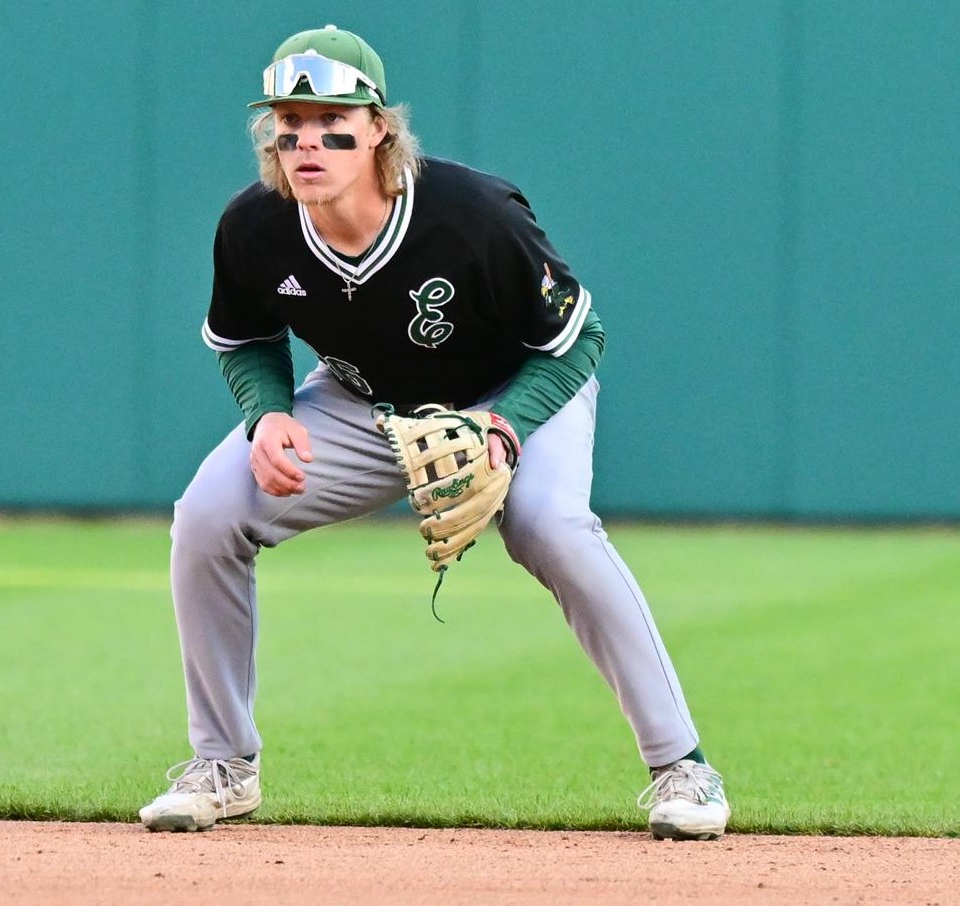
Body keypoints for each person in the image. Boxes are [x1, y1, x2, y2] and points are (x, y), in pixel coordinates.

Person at [139, 24, 730, 841]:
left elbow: (576, 341)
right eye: (290, 124)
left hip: (517, 389)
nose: (309, 142)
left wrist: (508, 424)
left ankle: (682, 769)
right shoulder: (255, 225)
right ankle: (223, 765)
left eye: (332, 123)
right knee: (207, 515)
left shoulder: (473, 214)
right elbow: (245, 341)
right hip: (361, 403)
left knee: (550, 526)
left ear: (379, 128)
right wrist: (267, 412)